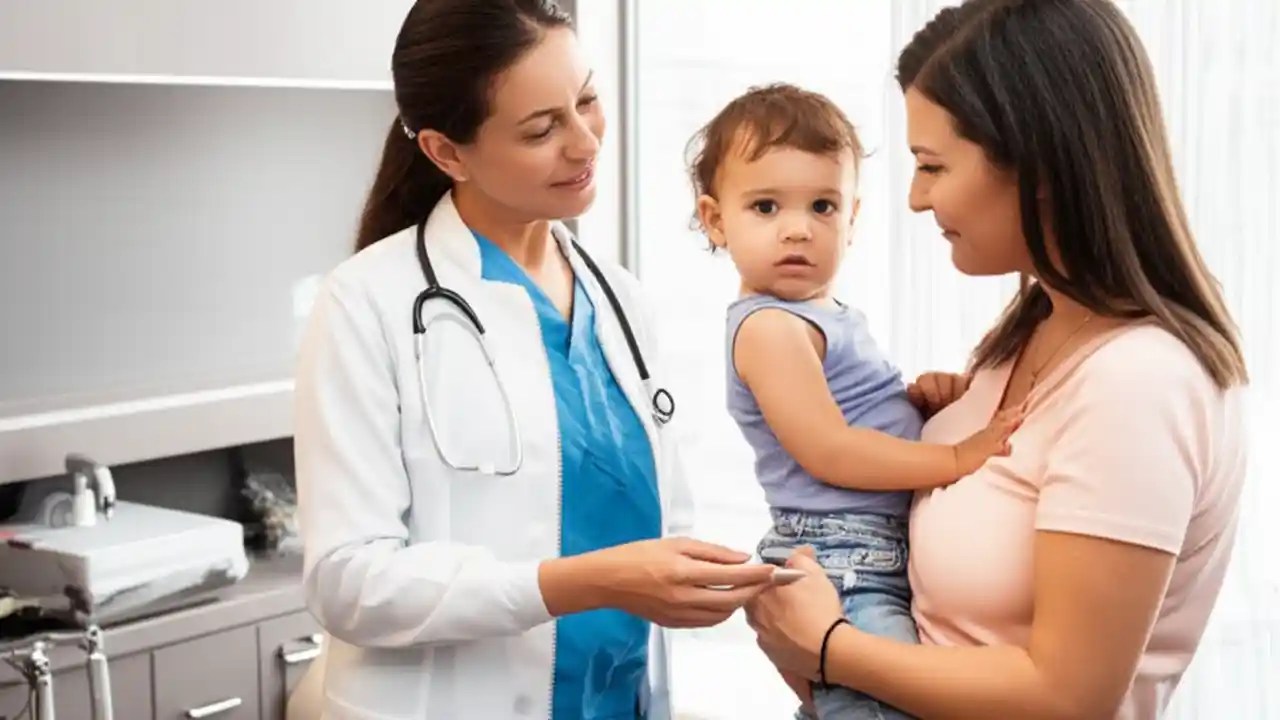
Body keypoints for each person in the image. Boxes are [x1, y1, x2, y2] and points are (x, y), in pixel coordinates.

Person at [746, 1, 1249, 719]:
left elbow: (1068, 697)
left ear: (1039, 165)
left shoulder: (1138, 384)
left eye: (932, 166)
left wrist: (827, 647)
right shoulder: (1034, 330)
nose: (917, 200)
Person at [285, 2, 778, 718]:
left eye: (586, 100)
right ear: (446, 152)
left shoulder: (621, 301)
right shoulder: (368, 303)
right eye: (543, 129)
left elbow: (654, 516)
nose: (584, 143)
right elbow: (347, 582)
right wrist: (583, 582)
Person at [686, 83, 1020, 720]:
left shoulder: (826, 316)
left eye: (822, 205)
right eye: (764, 207)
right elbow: (832, 451)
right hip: (842, 559)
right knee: (888, 706)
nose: (798, 229)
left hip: (866, 550)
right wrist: (957, 456)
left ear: (853, 218)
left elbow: (859, 415)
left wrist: (924, 405)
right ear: (715, 219)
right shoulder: (769, 329)